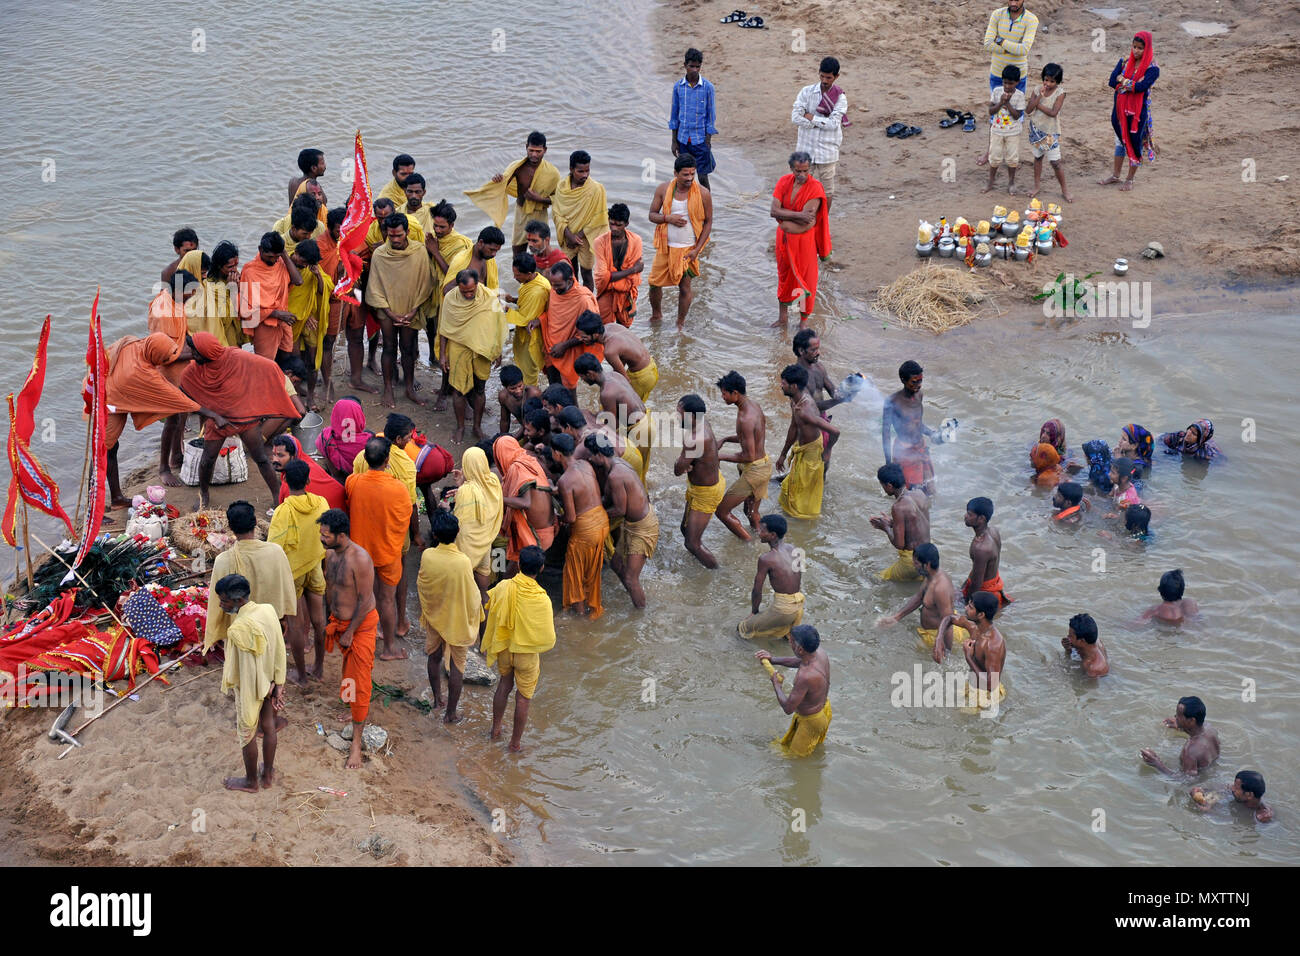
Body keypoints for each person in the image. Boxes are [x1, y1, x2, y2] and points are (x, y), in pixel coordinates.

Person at [179, 333, 300, 508]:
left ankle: (276, 494)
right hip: (218, 420)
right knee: (207, 460)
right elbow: (186, 398)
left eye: (196, 352)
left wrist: (255, 399)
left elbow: (269, 367)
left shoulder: (236, 356)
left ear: (208, 353)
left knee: (261, 458)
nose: (192, 355)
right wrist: (213, 416)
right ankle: (204, 494)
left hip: (244, 417)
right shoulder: (193, 371)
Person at [101, 333, 201, 504]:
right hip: (106, 401)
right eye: (163, 359)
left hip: (108, 386)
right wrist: (209, 411)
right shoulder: (141, 372)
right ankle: (95, 509)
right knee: (103, 453)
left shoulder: (134, 342)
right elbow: (177, 399)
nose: (162, 363)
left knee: (112, 449)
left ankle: (117, 498)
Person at [345, 438, 419, 661]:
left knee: (365, 596)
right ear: (387, 460)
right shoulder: (398, 488)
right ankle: (389, 648)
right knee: (387, 600)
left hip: (361, 554)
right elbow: (405, 517)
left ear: (365, 459)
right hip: (387, 553)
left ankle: (366, 638)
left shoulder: (353, 481)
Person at [317, 509, 379, 771]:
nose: (322, 539)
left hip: (360, 627)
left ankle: (355, 743)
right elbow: (329, 590)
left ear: (341, 535)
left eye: (326, 535)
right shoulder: (330, 554)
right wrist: (328, 619)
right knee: (348, 674)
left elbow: (365, 599)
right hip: (340, 623)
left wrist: (351, 630)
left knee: (360, 680)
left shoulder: (360, 559)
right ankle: (349, 707)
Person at [213, 574, 287, 793]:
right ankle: (268, 774)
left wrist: (257, 691)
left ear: (238, 601)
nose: (220, 604)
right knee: (268, 726)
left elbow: (245, 670)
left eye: (224, 600)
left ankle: (251, 781)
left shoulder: (238, 629)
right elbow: (279, 647)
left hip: (252, 688)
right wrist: (278, 683)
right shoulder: (267, 610)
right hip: (270, 681)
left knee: (246, 733)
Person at [484, 545, 556, 752]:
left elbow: (491, 605)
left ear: (518, 564)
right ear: (541, 568)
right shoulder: (542, 598)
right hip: (526, 654)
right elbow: (548, 636)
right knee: (523, 698)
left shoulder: (504, 586)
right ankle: (515, 744)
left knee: (504, 685)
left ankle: (495, 730)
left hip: (506, 648)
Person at [418, 511, 484, 724]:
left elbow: (423, 584)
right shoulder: (463, 561)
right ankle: (451, 714)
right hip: (457, 620)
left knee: (434, 657)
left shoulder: (427, 555)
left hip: (435, 615)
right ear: (457, 534)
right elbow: (472, 593)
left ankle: (438, 700)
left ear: (435, 535)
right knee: (457, 667)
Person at [203, 501, 296, 650]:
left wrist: (217, 633)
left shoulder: (223, 560)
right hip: (270, 627)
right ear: (256, 523)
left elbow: (217, 604)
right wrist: (283, 619)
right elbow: (287, 593)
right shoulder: (276, 552)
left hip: (239, 634)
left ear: (230, 528)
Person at [268, 459, 329, 684]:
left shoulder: (283, 511)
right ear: (308, 480)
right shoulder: (321, 502)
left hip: (291, 573)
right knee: (319, 620)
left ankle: (302, 676)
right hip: (314, 566)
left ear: (284, 480)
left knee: (295, 624)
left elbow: (274, 547)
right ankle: (320, 667)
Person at [367, 214, 434, 409]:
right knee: (388, 347)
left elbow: (425, 283)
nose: (395, 240)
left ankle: (409, 388)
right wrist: (389, 312)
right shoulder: (379, 254)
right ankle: (388, 388)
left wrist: (414, 310)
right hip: (388, 309)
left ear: (408, 232)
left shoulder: (419, 251)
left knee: (408, 347)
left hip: (410, 308)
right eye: (391, 236)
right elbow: (375, 287)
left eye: (399, 235)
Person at [585, 433, 657, 609]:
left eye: (591, 455)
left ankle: (640, 614)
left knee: (631, 578)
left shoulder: (615, 476)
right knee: (617, 564)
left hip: (643, 527)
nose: (589, 458)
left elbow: (619, 510)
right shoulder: (617, 463)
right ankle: (634, 595)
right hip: (633, 524)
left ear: (600, 455)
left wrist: (593, 515)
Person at [439, 268, 504, 441]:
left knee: (480, 389)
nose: (468, 294)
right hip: (458, 347)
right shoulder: (450, 299)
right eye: (464, 291)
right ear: (458, 287)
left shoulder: (489, 296)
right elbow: (444, 328)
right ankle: (460, 427)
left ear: (478, 284)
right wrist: (443, 355)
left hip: (483, 348)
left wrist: (498, 350)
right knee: (459, 390)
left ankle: (477, 427)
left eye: (471, 291)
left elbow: (497, 325)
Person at [877, 543, 969, 662]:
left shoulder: (940, 588)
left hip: (938, 635)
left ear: (927, 565)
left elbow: (949, 620)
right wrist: (896, 617)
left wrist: (946, 652)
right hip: (931, 632)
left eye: (916, 563)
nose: (914, 566)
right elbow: (919, 597)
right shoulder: (930, 577)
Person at [648, 155, 712, 326]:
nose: (690, 178)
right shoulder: (663, 189)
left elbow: (708, 222)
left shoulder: (703, 193)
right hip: (665, 248)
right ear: (675, 173)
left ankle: (680, 323)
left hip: (688, 249)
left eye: (692, 174)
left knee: (685, 288)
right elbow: (652, 215)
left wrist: (696, 250)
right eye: (685, 174)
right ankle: (657, 316)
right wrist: (668, 218)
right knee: (654, 284)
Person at [771, 151, 832, 325]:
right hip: (783, 240)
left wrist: (785, 217)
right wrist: (798, 215)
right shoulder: (783, 182)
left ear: (810, 168)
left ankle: (803, 322)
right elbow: (773, 211)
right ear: (792, 169)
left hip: (804, 243)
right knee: (784, 277)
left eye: (805, 171)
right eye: (798, 171)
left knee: (805, 280)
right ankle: (782, 318)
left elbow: (808, 222)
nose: (802, 175)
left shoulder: (815, 188)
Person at [552, 433, 608, 618]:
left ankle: (581, 619)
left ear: (556, 454)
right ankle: (592, 610)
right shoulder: (586, 464)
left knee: (574, 574)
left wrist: (557, 518)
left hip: (585, 530)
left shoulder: (564, 481)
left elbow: (571, 517)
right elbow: (582, 490)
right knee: (591, 572)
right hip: (602, 521)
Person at [574, 353, 652, 485]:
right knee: (642, 470)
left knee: (634, 475)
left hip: (638, 429)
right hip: (647, 421)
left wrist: (593, 432)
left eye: (582, 377)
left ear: (590, 374)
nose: (583, 381)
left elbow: (612, 426)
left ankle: (644, 500)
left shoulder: (606, 393)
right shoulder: (615, 375)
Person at [977, 0, 1038, 166]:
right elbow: (987, 44)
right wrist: (1011, 47)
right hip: (997, 74)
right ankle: (990, 151)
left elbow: (1024, 50)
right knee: (995, 113)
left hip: (1018, 77)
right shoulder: (997, 14)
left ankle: (1013, 153)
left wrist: (1001, 41)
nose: (1013, 2)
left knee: (1016, 115)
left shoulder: (1031, 19)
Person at [755, 625, 831, 757]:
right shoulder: (819, 653)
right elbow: (800, 661)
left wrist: (776, 685)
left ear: (800, 649)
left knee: (795, 759)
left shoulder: (805, 676)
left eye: (791, 641)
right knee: (813, 749)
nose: (789, 642)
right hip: (824, 709)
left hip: (811, 721)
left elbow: (788, 708)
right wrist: (773, 660)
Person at [777, 365, 839, 520]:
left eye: (783, 383)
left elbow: (835, 431)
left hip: (811, 453)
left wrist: (827, 451)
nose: (780, 385)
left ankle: (805, 523)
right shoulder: (794, 401)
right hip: (801, 448)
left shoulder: (806, 410)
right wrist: (783, 454)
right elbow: (793, 427)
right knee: (790, 490)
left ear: (794, 386)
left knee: (804, 499)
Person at [483, 131, 560, 253]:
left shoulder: (553, 173)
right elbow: (501, 185)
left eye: (538, 151)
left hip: (540, 215)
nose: (534, 154)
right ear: (526, 147)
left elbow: (559, 199)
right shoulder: (517, 167)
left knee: (541, 253)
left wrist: (539, 199)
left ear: (545, 150)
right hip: (521, 213)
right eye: (531, 150)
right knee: (518, 253)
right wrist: (497, 180)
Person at [1100, 32, 1158, 191]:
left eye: (1140, 48)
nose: (1136, 51)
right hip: (1119, 110)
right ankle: (1116, 175)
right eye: (1134, 47)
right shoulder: (1125, 61)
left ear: (1147, 49)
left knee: (1134, 143)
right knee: (1119, 143)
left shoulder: (1152, 68)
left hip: (1137, 115)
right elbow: (1112, 81)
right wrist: (1129, 84)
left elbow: (1141, 87)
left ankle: (1130, 179)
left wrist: (1123, 80)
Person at [715, 371, 770, 541]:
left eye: (724, 393)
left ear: (735, 393)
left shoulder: (744, 418)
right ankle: (763, 541)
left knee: (722, 511)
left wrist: (720, 457)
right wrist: (725, 439)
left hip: (754, 470)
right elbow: (749, 438)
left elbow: (748, 456)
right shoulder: (754, 406)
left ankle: (748, 543)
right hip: (764, 464)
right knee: (751, 512)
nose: (722, 396)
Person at [790, 56, 847, 216]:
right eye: (822, 76)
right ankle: (800, 217)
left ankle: (823, 221)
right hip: (805, 150)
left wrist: (810, 117)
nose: (824, 80)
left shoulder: (840, 97)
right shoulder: (806, 92)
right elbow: (795, 117)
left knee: (827, 190)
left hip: (827, 151)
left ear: (836, 77)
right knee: (800, 184)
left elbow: (834, 124)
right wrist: (819, 122)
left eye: (828, 77)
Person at [674, 394, 724, 569]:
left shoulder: (695, 439)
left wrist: (684, 465)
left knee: (691, 543)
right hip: (705, 484)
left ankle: (716, 572)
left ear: (692, 417)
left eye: (680, 414)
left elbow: (677, 470)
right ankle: (698, 560)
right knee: (685, 529)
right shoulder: (703, 424)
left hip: (706, 493)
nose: (677, 417)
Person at [448, 445, 505, 600]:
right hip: (485, 546)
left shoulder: (466, 491)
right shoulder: (493, 481)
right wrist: (463, 483)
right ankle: (484, 625)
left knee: (462, 596)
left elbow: (458, 522)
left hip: (466, 550)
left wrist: (458, 490)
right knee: (483, 594)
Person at [737, 514, 805, 640]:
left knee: (742, 629)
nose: (758, 532)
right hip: (798, 606)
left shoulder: (766, 559)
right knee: (786, 637)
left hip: (784, 610)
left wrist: (754, 612)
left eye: (762, 530)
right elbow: (797, 576)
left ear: (773, 535)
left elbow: (757, 590)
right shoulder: (793, 548)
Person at [494, 434, 558, 566]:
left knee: (515, 574)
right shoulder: (529, 460)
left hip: (536, 536)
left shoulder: (518, 468)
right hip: (549, 527)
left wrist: (498, 498)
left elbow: (526, 503)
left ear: (500, 455)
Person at [239, 232, 303, 362]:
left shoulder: (280, 263)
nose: (273, 260)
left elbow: (298, 281)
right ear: (260, 250)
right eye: (270, 257)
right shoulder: (250, 271)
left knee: (286, 355)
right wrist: (275, 314)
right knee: (265, 363)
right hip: (264, 323)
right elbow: (247, 309)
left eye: (277, 256)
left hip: (283, 320)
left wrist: (284, 255)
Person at [285, 238, 332, 407]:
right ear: (296, 253)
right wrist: (302, 317)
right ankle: (295, 397)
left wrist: (318, 275)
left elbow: (324, 290)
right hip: (293, 323)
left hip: (310, 321)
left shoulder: (312, 268)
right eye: (302, 261)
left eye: (307, 263)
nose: (303, 265)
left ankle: (311, 396)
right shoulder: (285, 266)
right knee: (295, 362)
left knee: (312, 362)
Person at [551, 150, 608, 290]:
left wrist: (578, 236)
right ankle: (573, 300)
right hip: (567, 236)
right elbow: (557, 213)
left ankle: (588, 305)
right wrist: (569, 235)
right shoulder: (562, 187)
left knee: (587, 272)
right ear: (571, 169)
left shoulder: (596, 189)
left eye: (587, 171)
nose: (585, 175)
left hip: (586, 238)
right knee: (569, 271)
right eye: (580, 171)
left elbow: (599, 218)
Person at [575, 311, 657, 401]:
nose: (581, 340)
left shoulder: (609, 351)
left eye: (584, 337)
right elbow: (624, 354)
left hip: (643, 378)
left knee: (627, 410)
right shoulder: (612, 326)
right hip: (651, 366)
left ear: (595, 334)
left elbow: (625, 381)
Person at [542, 261, 601, 387]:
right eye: (552, 285)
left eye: (558, 285)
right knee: (553, 386)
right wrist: (539, 320)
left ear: (570, 280)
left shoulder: (583, 300)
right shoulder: (555, 289)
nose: (555, 289)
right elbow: (551, 313)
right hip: (550, 347)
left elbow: (592, 333)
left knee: (568, 389)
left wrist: (564, 346)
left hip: (568, 350)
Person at [871, 462, 930, 581]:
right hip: (929, 554)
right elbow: (916, 523)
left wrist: (885, 527)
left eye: (882, 485)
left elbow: (899, 544)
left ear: (889, 486)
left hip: (912, 561)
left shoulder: (898, 507)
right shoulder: (920, 494)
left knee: (874, 578)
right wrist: (893, 523)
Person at [882, 360, 935, 494]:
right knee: (910, 493)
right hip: (904, 452)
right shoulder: (893, 402)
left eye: (920, 381)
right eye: (914, 382)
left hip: (920, 447)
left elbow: (918, 423)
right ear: (903, 380)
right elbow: (886, 432)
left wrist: (933, 433)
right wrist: (888, 463)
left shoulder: (919, 395)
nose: (918, 385)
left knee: (930, 489)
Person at [668, 48, 717, 189]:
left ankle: (707, 207)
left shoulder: (708, 88)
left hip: (700, 140)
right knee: (684, 178)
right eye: (691, 66)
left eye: (697, 66)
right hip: (683, 140)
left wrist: (708, 142)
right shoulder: (678, 87)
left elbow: (710, 116)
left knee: (702, 177)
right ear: (685, 65)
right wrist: (674, 141)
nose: (694, 70)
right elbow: (674, 116)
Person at [500, 252, 551, 387]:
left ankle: (530, 396)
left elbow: (525, 320)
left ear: (529, 273)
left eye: (518, 275)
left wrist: (506, 309)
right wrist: (514, 300)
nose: (515, 278)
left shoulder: (538, 292)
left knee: (529, 371)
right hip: (527, 330)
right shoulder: (533, 280)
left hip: (532, 335)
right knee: (524, 367)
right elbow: (527, 303)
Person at [592, 204, 644, 326]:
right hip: (607, 291)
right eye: (611, 224)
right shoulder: (599, 242)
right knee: (603, 328)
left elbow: (633, 278)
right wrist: (633, 269)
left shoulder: (636, 240)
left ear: (627, 224)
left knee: (625, 328)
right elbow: (602, 276)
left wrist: (614, 276)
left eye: (618, 225)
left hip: (626, 293)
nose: (614, 228)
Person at [1141, 695, 1220, 775]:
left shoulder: (1189, 752)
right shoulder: (1210, 729)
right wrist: (1181, 726)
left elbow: (1186, 781)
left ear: (1191, 720)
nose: (1175, 717)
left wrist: (1156, 763)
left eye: (1179, 715)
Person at [1026, 63, 1071, 201]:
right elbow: (1028, 110)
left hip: (1050, 132)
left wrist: (1037, 103)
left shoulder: (1060, 93)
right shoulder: (1037, 89)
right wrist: (1039, 97)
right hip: (1036, 129)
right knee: (1038, 158)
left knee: (1056, 162)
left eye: (1052, 81)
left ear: (1057, 82)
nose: (1048, 83)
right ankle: (1037, 186)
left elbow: (1053, 112)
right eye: (1046, 80)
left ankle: (1065, 190)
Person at [958, 592, 1006, 710]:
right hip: (974, 686)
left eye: (970, 607)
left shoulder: (992, 645)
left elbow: (991, 685)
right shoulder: (977, 629)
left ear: (981, 615)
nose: (965, 608)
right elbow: (950, 618)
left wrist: (968, 657)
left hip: (985, 696)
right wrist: (939, 641)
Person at [962, 496, 1013, 606]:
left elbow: (976, 585)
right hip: (993, 585)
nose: (965, 516)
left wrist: (967, 604)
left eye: (970, 514)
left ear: (981, 519)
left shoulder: (981, 548)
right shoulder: (993, 531)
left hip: (984, 595)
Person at [983, 65, 1026, 194]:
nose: (1007, 86)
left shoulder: (1019, 96)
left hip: (1013, 133)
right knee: (994, 157)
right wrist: (1000, 102)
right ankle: (991, 181)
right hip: (996, 131)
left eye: (1010, 83)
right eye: (1005, 83)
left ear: (1017, 82)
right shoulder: (997, 92)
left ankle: (1011, 182)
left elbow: (1017, 115)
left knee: (1012, 159)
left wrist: (1007, 103)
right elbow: (991, 111)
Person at [317, 397, 373, 480]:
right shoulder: (369, 442)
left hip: (336, 481)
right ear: (358, 416)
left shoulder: (325, 435)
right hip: (360, 484)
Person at [792, 328, 844, 413]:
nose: (818, 353)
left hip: (822, 417)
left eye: (818, 348)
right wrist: (838, 401)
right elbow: (810, 406)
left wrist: (843, 392)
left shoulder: (819, 367)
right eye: (813, 350)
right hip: (808, 423)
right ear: (801, 351)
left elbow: (831, 389)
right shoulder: (796, 377)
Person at [497, 364, 542, 436]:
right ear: (505, 387)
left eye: (520, 386)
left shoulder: (533, 393)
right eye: (513, 388)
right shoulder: (503, 397)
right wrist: (502, 438)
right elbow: (505, 421)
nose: (518, 391)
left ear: (523, 381)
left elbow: (536, 420)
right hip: (525, 430)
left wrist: (515, 438)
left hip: (537, 431)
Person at [1062, 612, 1108, 677]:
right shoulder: (1093, 640)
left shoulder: (1093, 669)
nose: (1067, 638)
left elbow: (1082, 685)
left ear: (1081, 641)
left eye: (1070, 636)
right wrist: (1068, 650)